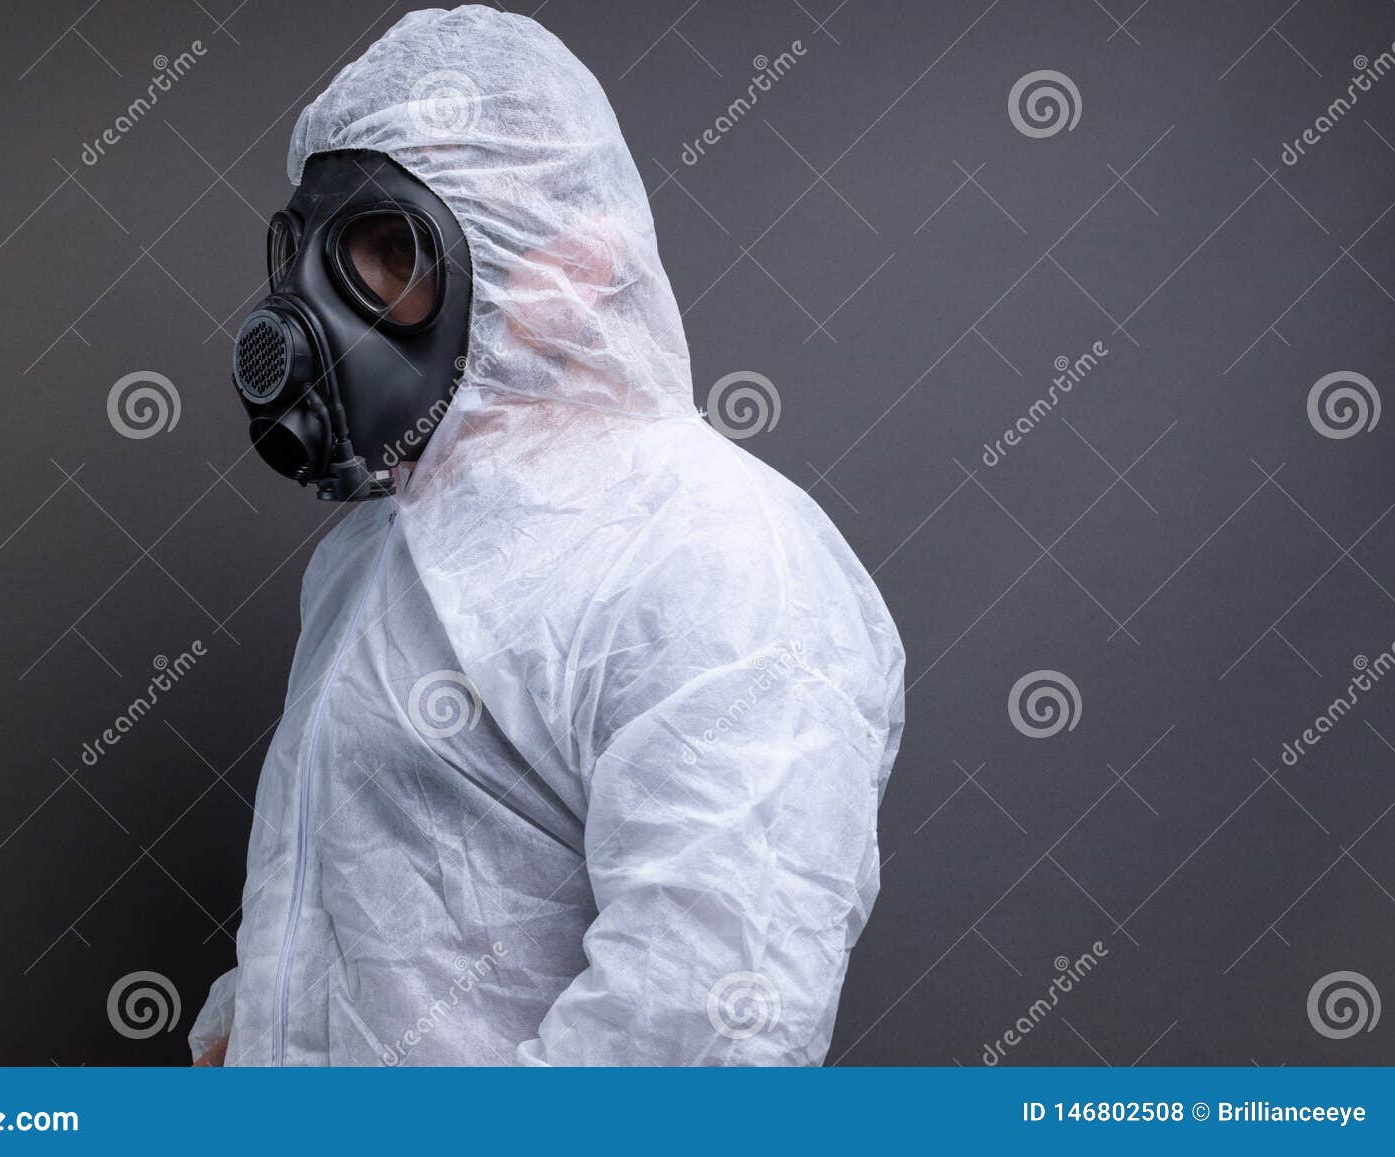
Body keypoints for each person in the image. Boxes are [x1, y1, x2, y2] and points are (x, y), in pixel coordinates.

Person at [192, 4, 905, 1066]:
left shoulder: (718, 555)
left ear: (567, 272)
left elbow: (698, 1030)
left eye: (390, 250)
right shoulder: (373, 551)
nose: (312, 308)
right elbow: (341, 901)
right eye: (312, 252)